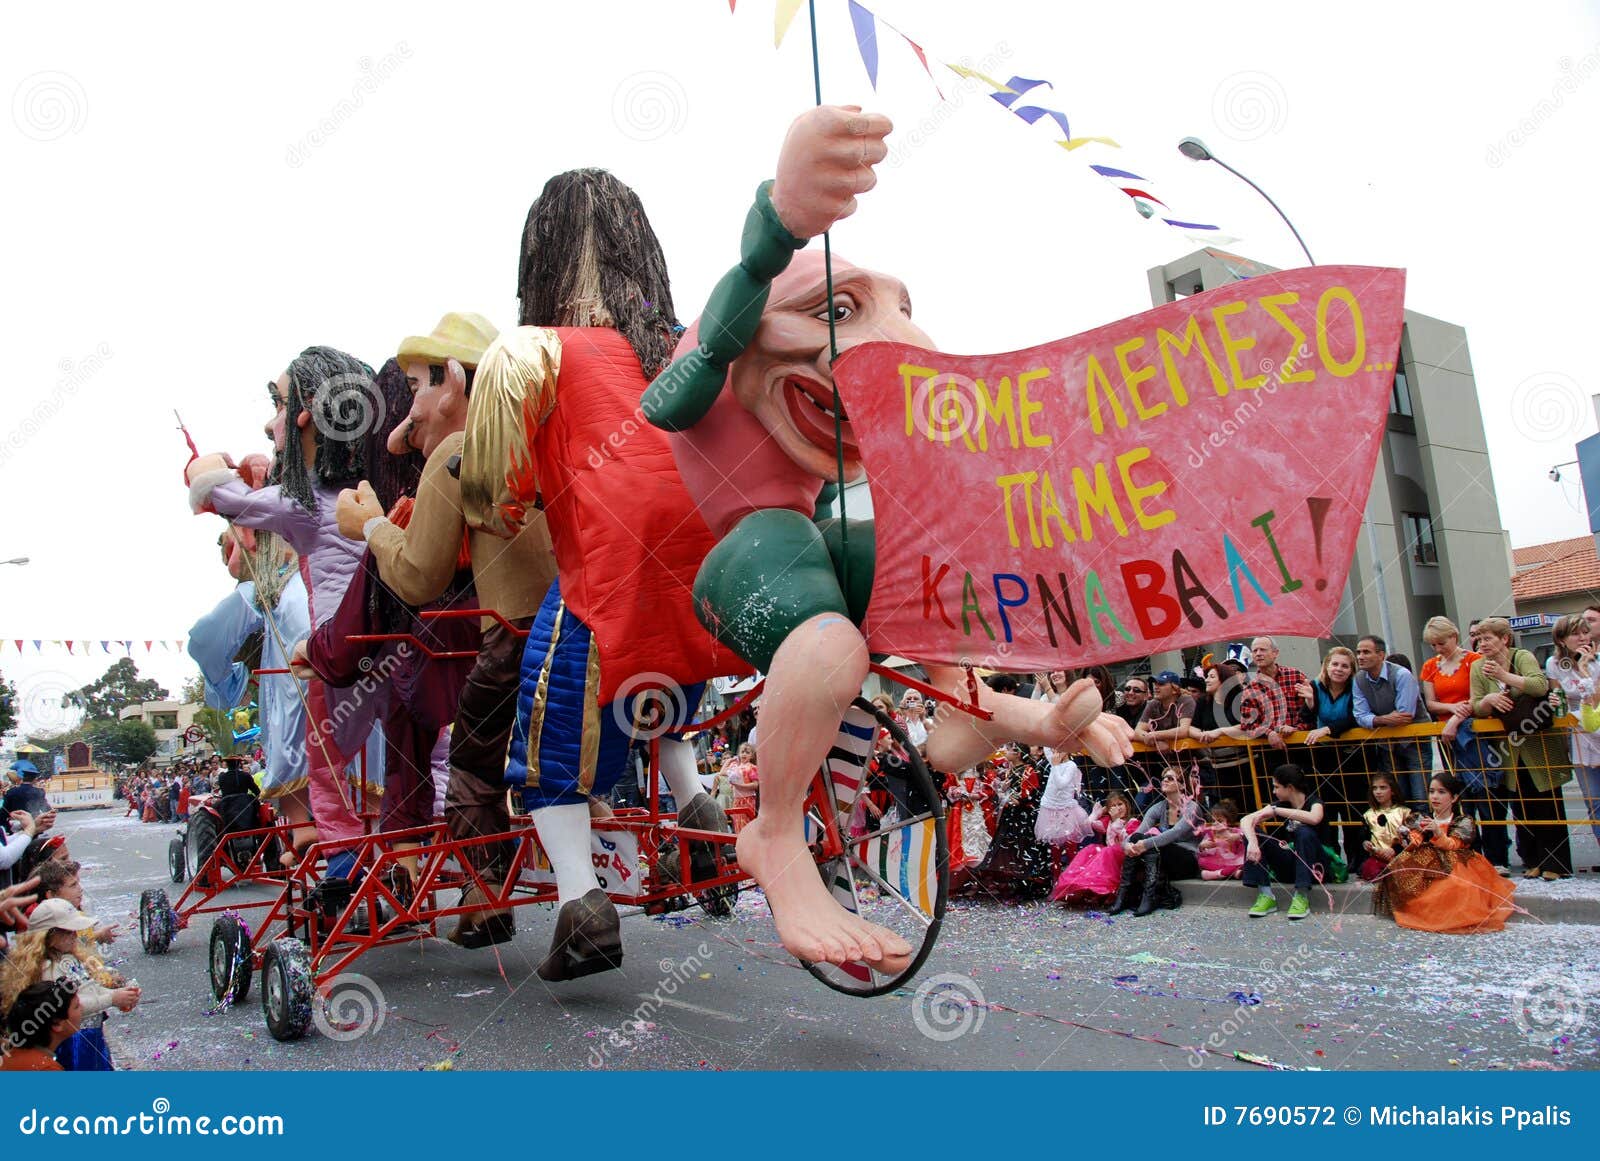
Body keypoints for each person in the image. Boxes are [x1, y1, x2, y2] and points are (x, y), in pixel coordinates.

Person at [641, 105, 1133, 972]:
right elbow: (665, 403)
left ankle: (984, 711)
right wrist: (773, 234)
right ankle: (776, 834)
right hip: (746, 553)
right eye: (839, 310)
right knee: (828, 643)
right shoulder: (711, 362)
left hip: (812, 542)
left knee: (928, 560)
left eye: (902, 309)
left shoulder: (833, 491)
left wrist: (1040, 717)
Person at [1471, 617, 1574, 879]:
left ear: (1505, 639)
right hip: (1509, 747)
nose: (1482, 644)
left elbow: (1539, 685)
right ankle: (1533, 860)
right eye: (1479, 639)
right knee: (1522, 805)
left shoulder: (1523, 656)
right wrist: (1490, 699)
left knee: (1547, 802)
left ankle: (1556, 864)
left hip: (1538, 743)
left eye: (1488, 638)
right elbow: (1476, 705)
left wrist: (1504, 676)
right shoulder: (1477, 667)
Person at [0, 900, 139, 1071]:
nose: (75, 935)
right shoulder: (47, 968)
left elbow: (87, 986)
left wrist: (116, 990)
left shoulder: (69, 957)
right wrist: (111, 998)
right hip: (74, 1039)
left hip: (90, 1033)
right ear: (49, 937)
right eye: (69, 932)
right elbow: (69, 1004)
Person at [1373, 773, 1517, 933]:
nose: (1435, 797)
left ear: (1454, 797)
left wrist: (1438, 833)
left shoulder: (1462, 821)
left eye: (1441, 792)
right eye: (1432, 791)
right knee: (1400, 873)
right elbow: (1414, 842)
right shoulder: (1421, 818)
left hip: (1455, 862)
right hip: (1425, 862)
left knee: (1456, 886)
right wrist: (1407, 837)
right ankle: (1421, 913)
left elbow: (1454, 844)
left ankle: (1448, 917)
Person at [1300, 646, 1362, 866]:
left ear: (1351, 670)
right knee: (1327, 808)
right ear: (1326, 666)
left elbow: (1355, 718)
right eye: (1334, 664)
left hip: (1352, 755)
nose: (1339, 669)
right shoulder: (1316, 686)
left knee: (1352, 809)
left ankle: (1356, 860)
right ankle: (1330, 860)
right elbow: (1306, 717)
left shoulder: (1356, 687)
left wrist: (1327, 729)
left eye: (1345, 666)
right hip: (1324, 756)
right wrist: (1309, 702)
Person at [1240, 764, 1328, 920]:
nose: (1274, 791)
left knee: (1304, 832)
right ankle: (1266, 895)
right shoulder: (1280, 805)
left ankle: (1301, 896)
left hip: (1317, 866)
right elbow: (1246, 819)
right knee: (1252, 833)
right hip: (1291, 865)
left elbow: (1314, 818)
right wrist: (1253, 843)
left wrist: (1277, 811)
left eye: (1276, 787)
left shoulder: (1314, 802)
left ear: (1290, 787)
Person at [1112, 769, 1204, 916]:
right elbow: (1137, 833)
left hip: (1187, 860)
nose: (1164, 781)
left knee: (1153, 843)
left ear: (1181, 786)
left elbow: (1175, 833)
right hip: (1163, 857)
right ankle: (1124, 894)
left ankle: (1149, 895)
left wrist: (1146, 844)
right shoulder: (1158, 807)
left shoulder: (1192, 808)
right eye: (1163, 778)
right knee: (1138, 838)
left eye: (1170, 778)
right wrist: (1126, 845)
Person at [1352, 635, 1430, 805]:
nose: (1360, 656)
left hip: (1414, 742)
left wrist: (1374, 719)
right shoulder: (1358, 680)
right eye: (1358, 652)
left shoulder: (1402, 674)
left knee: (1420, 798)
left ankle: (1421, 832)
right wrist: (1385, 719)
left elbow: (1404, 715)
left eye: (1366, 652)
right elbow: (1359, 716)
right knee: (1396, 800)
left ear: (1381, 655)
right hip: (1386, 745)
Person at [1546, 613, 1600, 856]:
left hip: (1596, 725)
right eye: (1575, 633)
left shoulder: (1597, 660)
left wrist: (1585, 668)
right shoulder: (1554, 664)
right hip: (1579, 735)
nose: (1582, 637)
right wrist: (1555, 699)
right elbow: (1558, 701)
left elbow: (1595, 699)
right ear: (1561, 639)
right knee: (1593, 800)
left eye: (1585, 632)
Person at [1051, 789, 1141, 902]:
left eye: (1120, 804)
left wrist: (1116, 820)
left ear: (1126, 805)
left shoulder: (1132, 821)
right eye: (1113, 806)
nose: (1117, 808)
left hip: (1124, 854)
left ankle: (1107, 890)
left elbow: (1128, 839)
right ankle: (1083, 887)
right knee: (1090, 850)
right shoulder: (1108, 821)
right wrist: (1096, 814)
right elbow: (1087, 824)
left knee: (1107, 851)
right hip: (1108, 855)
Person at [1191, 661, 1253, 809]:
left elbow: (1247, 725)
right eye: (1206, 676)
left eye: (1212, 676)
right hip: (1217, 767)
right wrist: (1201, 735)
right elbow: (1192, 728)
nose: (1206, 679)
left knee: (1247, 805)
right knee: (1223, 809)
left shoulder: (1240, 698)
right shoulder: (1203, 702)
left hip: (1244, 766)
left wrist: (1219, 732)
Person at [1133, 671, 1197, 810]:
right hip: (1164, 768)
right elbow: (1137, 731)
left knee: (1194, 806)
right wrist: (1156, 742)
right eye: (1155, 683)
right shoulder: (1153, 704)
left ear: (1174, 688)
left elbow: (1183, 730)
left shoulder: (1185, 700)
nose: (1156, 687)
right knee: (1144, 804)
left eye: (1161, 684)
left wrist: (1156, 735)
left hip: (1193, 764)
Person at [1, 981, 81, 1072]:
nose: (82, 1007)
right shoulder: (47, 1069)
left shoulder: (10, 1056)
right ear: (57, 1023)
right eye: (77, 1006)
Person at [1356, 771, 1412, 882]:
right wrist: (1366, 844)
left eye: (1383, 788)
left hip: (1399, 856)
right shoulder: (1368, 815)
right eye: (1375, 788)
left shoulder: (1404, 812)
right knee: (1368, 869)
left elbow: (1410, 839)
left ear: (1392, 791)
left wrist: (1394, 850)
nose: (1378, 792)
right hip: (1377, 857)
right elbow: (1364, 837)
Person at [1035, 748, 1092, 847]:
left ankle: (1072, 861)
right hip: (1050, 806)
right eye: (1054, 749)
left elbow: (1061, 784)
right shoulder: (1053, 761)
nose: (1056, 752)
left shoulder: (1071, 765)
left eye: (1060, 749)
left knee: (1068, 838)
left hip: (1064, 808)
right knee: (1053, 839)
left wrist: (1055, 766)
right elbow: (1046, 747)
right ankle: (1055, 862)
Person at [1197, 799, 1246, 880]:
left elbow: (1245, 836)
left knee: (1244, 862)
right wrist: (1202, 846)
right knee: (1201, 861)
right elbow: (1202, 850)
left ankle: (1216, 874)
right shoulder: (1210, 833)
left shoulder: (1234, 831)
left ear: (1229, 821)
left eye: (1219, 821)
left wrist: (1237, 836)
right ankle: (1233, 873)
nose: (1215, 823)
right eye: (1213, 821)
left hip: (1234, 860)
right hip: (1217, 861)